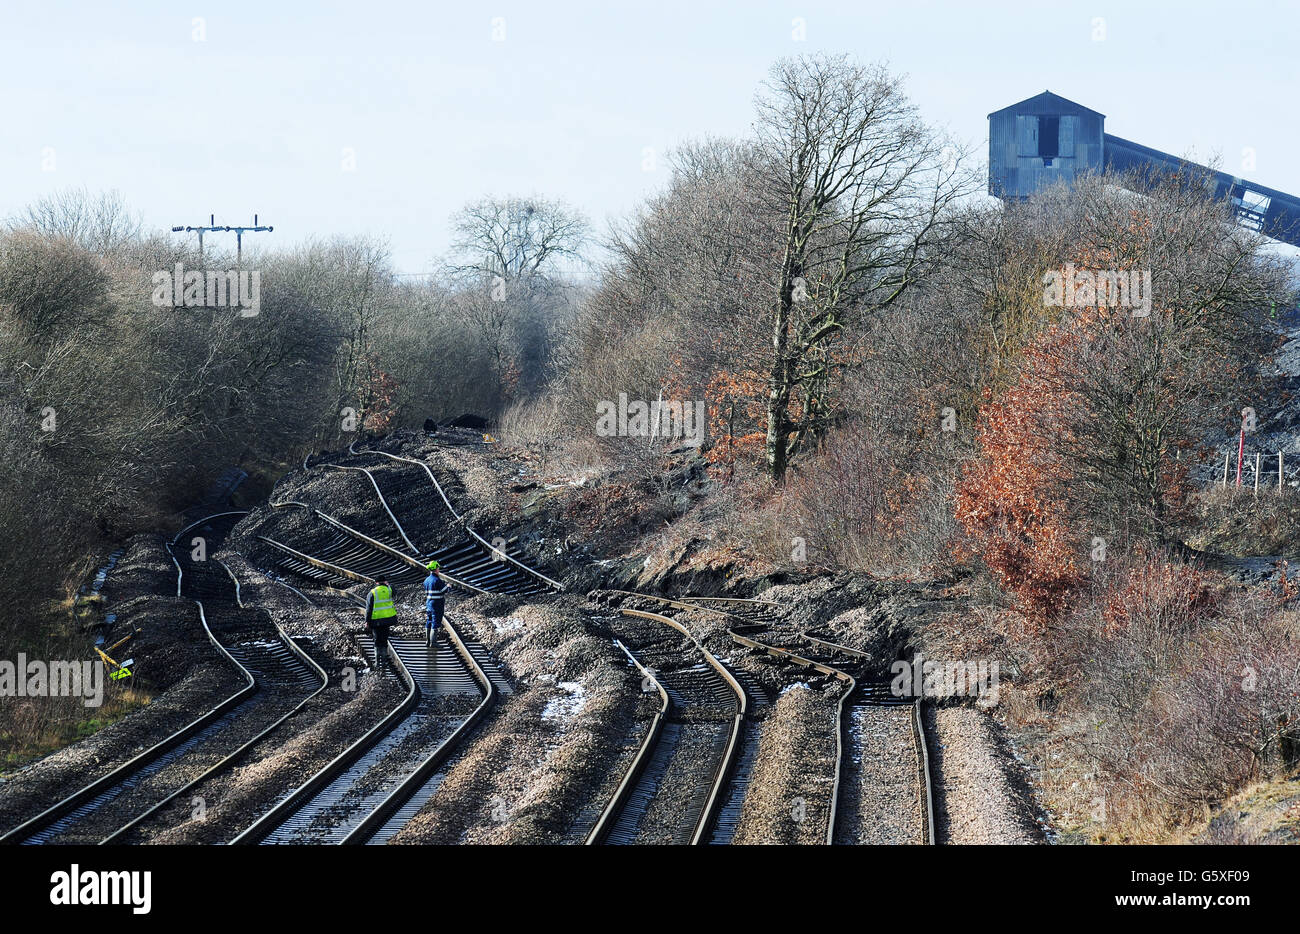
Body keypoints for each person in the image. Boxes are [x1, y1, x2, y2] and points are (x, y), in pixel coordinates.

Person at [364, 576, 397, 668]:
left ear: (376, 582)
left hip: (376, 621)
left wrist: (367, 621)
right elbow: (394, 591)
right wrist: (388, 585)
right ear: (385, 581)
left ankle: (378, 662)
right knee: (384, 640)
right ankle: (384, 661)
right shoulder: (388, 590)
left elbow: (368, 609)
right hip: (387, 620)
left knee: (377, 641)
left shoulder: (372, 593)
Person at [423, 560, 449, 647]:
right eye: (438, 568)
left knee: (429, 621)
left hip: (429, 604)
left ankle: (428, 641)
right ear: (435, 569)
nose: (439, 570)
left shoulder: (426, 580)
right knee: (435, 622)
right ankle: (433, 643)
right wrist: (448, 586)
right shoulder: (437, 580)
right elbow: (444, 590)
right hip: (437, 604)